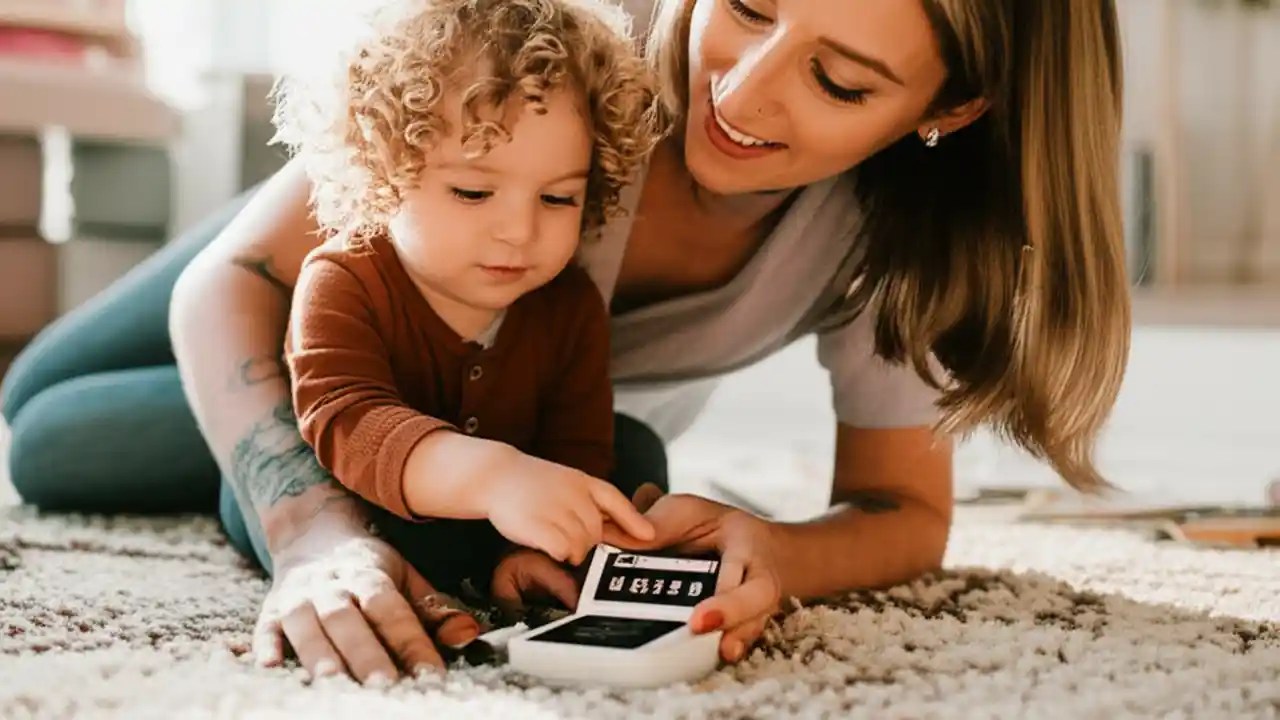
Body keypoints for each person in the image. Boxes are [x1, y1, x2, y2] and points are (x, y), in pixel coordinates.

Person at [0, 0, 1130, 685]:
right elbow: (232, 283)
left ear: (950, 108)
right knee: (43, 407)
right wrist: (308, 529)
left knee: (629, 448)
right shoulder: (581, 42)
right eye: (744, 4)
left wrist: (776, 555)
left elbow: (905, 515)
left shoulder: (905, 241)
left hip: (487, 404)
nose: (735, 88)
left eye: (838, 80)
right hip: (341, 277)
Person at [275, 0, 664, 595]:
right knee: (275, 482)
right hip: (351, 488)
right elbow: (349, 421)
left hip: (486, 510)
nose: (520, 231)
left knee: (635, 450)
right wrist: (493, 474)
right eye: (474, 192)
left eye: (557, 199)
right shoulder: (342, 280)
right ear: (381, 168)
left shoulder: (569, 305)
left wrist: (532, 551)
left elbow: (574, 449)